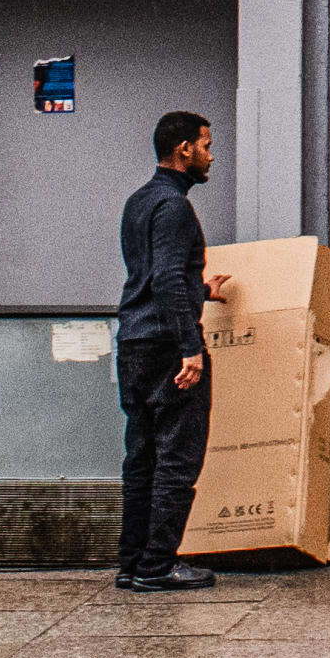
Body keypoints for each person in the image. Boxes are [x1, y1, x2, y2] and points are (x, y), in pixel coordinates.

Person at [115, 110, 236, 593]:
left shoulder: (139, 201)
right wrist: (191, 348)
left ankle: (132, 563)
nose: (211, 155)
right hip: (169, 347)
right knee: (177, 461)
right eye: (206, 145)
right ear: (184, 149)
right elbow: (163, 278)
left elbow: (152, 278)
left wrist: (201, 290)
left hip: (135, 343)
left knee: (141, 457)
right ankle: (157, 566)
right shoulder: (175, 208)